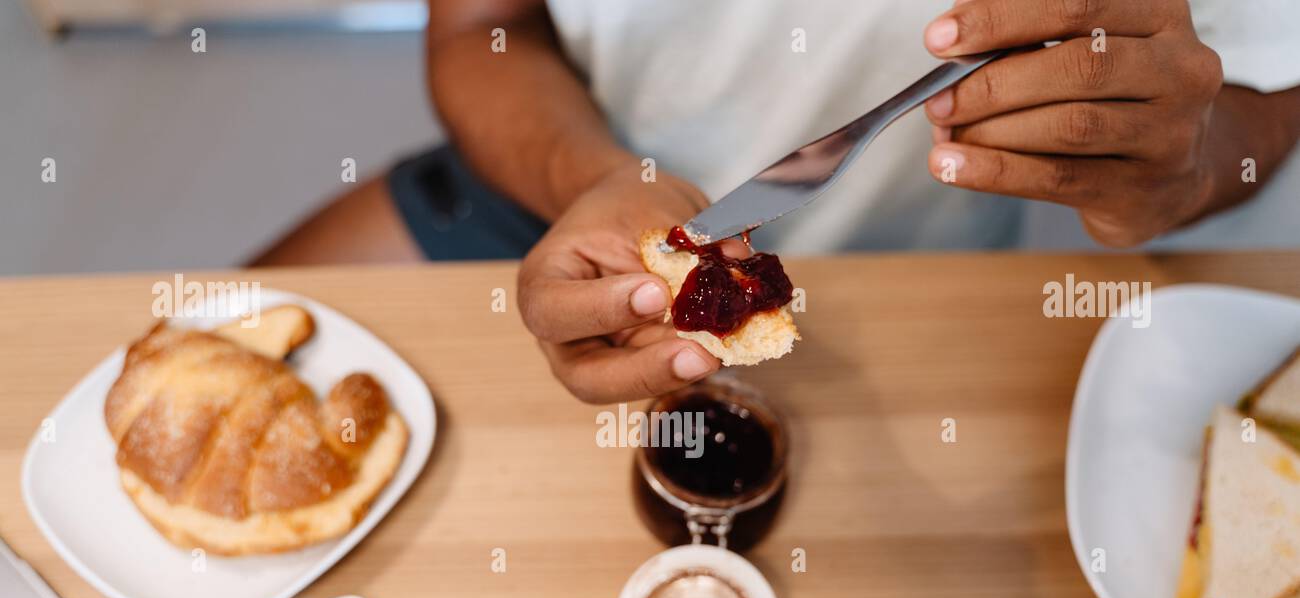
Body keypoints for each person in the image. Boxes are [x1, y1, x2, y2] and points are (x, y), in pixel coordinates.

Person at [253, 0, 1300, 403]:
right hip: (536, 176)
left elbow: (1264, 94)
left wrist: (1180, 165)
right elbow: (481, 32)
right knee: (196, 350)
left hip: (901, 288)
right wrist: (591, 177)